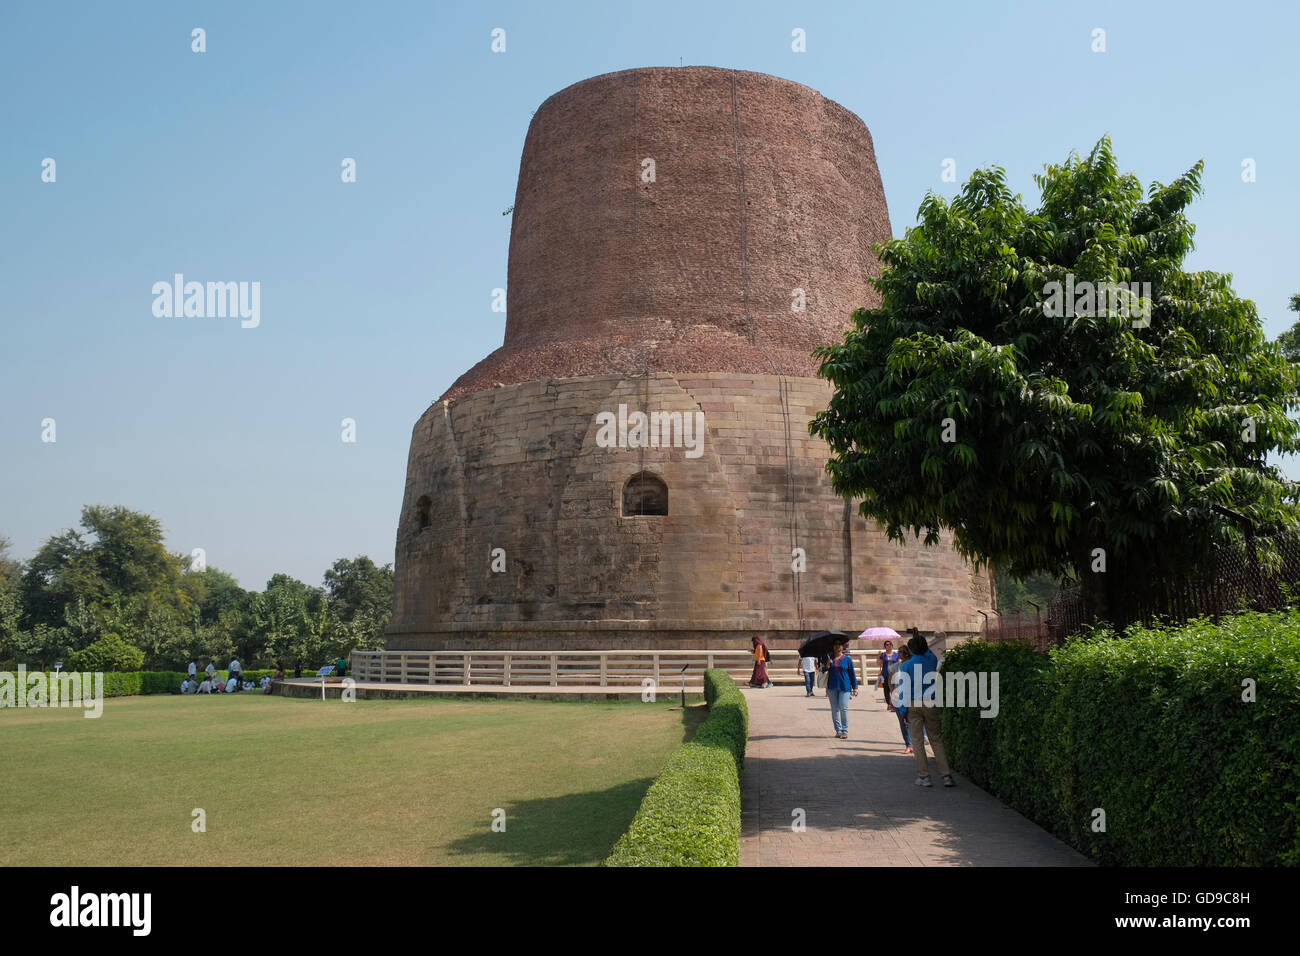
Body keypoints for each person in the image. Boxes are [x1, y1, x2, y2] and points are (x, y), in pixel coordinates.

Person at [899, 633, 954, 788]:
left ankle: (924, 777)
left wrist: (903, 710)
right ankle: (946, 775)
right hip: (930, 702)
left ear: (911, 650)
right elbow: (929, 652)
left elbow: (904, 690)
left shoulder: (906, 666)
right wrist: (919, 637)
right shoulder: (931, 660)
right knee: (936, 739)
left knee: (917, 741)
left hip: (914, 704)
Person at [825, 640, 858, 738]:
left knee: (843, 708)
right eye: (835, 645)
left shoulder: (847, 659)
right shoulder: (829, 658)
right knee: (835, 709)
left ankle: (844, 730)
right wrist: (827, 665)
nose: (837, 647)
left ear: (842, 647)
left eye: (839, 645)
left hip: (845, 686)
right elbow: (822, 671)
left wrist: (855, 687)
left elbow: (852, 673)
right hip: (832, 687)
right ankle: (838, 730)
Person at [892, 646, 913, 753]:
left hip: (911, 696)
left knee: (913, 720)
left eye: (899, 652)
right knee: (903, 722)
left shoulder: (913, 665)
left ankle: (917, 742)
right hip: (898, 697)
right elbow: (889, 682)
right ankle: (908, 744)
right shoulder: (895, 666)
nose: (898, 654)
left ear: (906, 653)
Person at [877, 641, 898, 710]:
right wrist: (879, 657)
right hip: (885, 674)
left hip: (894, 674)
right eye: (887, 644)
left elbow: (898, 663)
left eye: (890, 644)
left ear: (892, 646)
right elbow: (879, 664)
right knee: (886, 690)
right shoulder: (883, 655)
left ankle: (894, 704)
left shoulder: (896, 654)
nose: (889, 646)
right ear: (885, 646)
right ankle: (889, 704)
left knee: (894, 689)